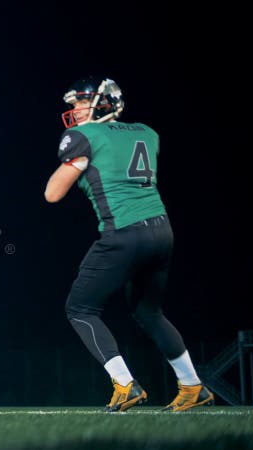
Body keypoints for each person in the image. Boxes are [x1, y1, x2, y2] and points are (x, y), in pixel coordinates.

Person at [44, 76, 215, 412]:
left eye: (79, 102)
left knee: (79, 309)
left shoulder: (83, 136)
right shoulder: (147, 133)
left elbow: (52, 194)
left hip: (124, 233)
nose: (74, 109)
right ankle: (192, 386)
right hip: (162, 232)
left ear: (102, 103)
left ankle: (125, 383)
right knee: (149, 311)